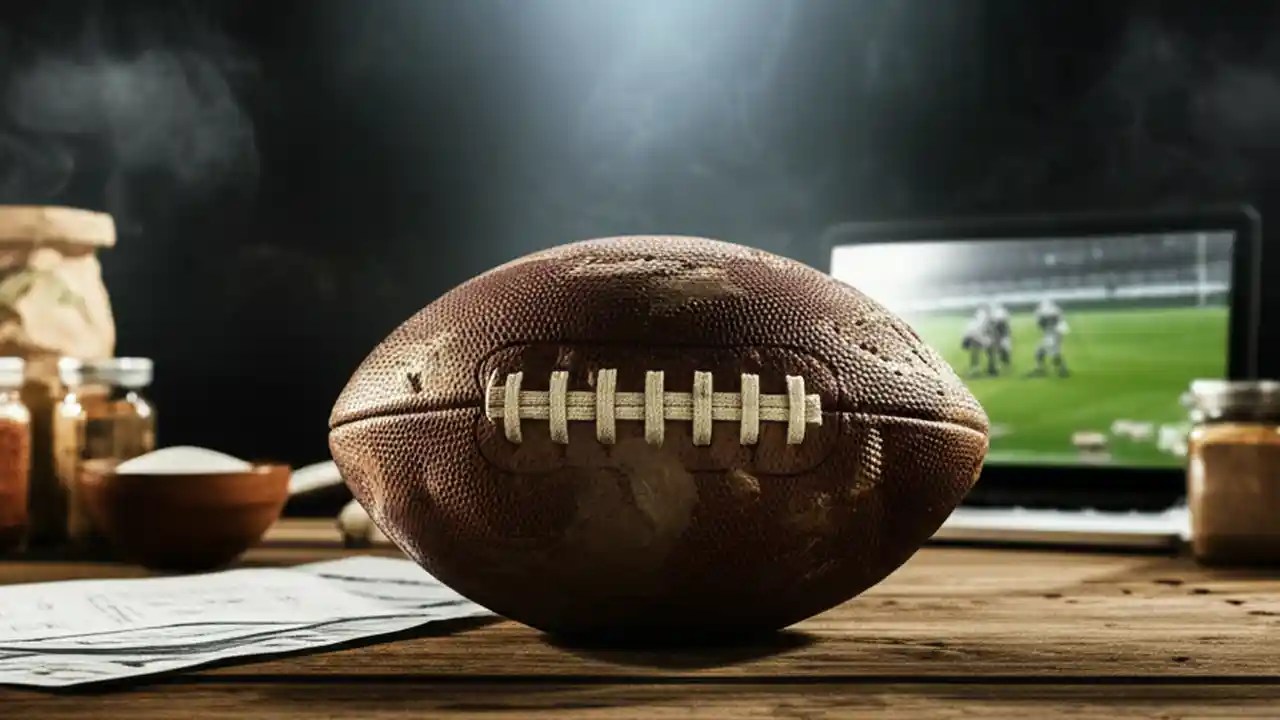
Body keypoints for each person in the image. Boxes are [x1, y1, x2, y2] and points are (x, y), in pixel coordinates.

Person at [1032, 298, 1070, 377]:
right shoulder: (1056, 311)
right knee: (1048, 351)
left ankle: (1061, 369)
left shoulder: (1046, 313)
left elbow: (1042, 324)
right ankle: (1060, 368)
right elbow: (1062, 325)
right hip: (1055, 333)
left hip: (1052, 333)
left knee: (1045, 351)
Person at [961, 305, 996, 377]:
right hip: (975, 335)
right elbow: (988, 330)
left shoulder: (977, 316)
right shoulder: (987, 317)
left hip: (969, 335)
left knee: (975, 350)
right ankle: (991, 368)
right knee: (991, 347)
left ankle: (975, 367)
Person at [988, 302, 1012, 370]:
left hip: (1003, 335)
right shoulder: (999, 314)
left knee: (1003, 349)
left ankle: (1003, 363)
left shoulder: (1000, 314)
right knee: (999, 350)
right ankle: (997, 365)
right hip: (999, 335)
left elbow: (1006, 325)